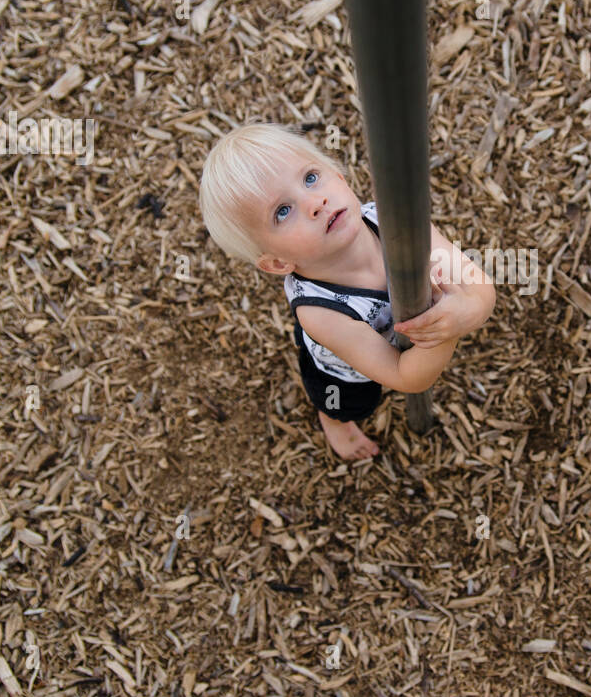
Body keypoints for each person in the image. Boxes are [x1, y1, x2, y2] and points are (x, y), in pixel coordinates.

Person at [199, 123, 495, 459]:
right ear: (279, 263)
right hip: (341, 366)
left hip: (394, 333)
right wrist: (444, 333)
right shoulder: (320, 315)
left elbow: (479, 287)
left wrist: (466, 311)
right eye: (283, 211)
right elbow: (404, 375)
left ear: (339, 178)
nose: (315, 202)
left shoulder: (396, 220)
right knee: (349, 403)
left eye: (311, 178)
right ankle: (334, 423)